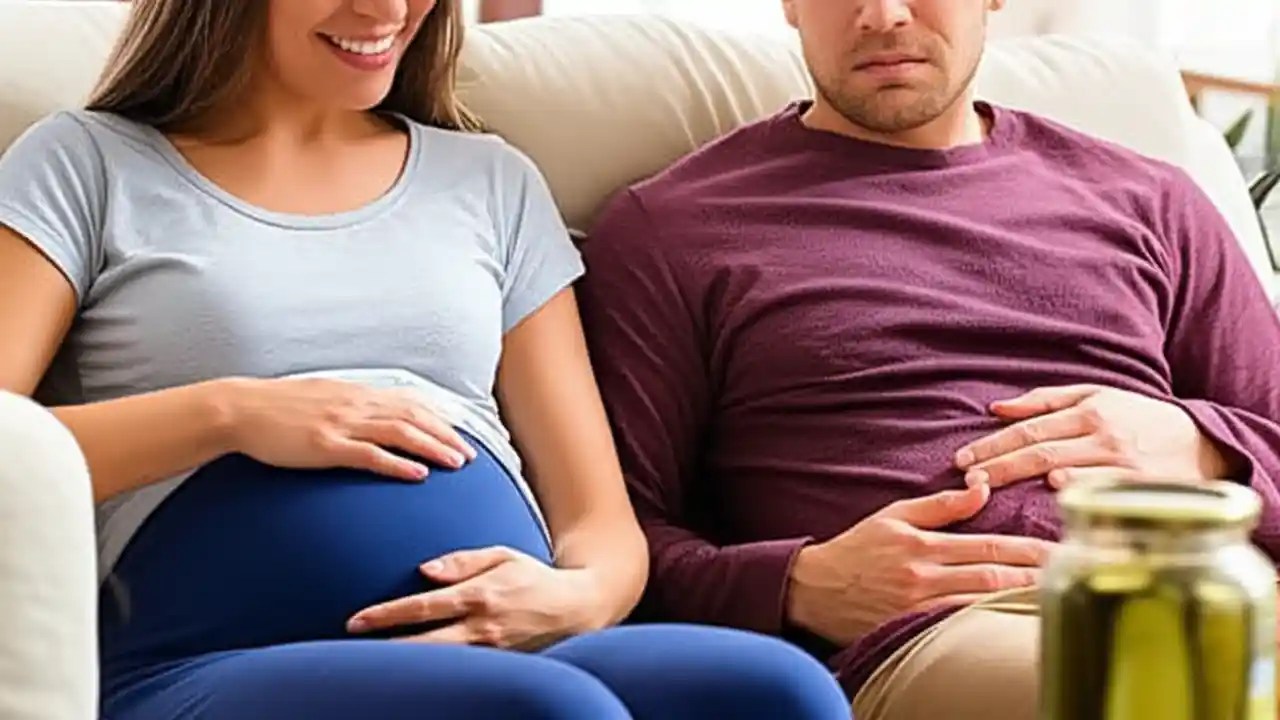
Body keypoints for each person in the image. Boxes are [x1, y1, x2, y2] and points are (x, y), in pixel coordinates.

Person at [0, 1, 855, 719]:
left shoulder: (490, 180)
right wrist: (232, 415)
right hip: (204, 655)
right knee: (548, 711)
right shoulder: (88, 163)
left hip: (516, 650)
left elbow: (600, 522)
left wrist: (575, 596)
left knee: (780, 688)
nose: (386, 11)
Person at [576, 1, 1280, 719]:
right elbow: (610, 544)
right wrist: (795, 583)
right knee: (1159, 691)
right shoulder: (672, 230)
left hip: (1211, 586)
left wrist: (1203, 448)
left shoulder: (1151, 200)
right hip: (952, 635)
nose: (882, 15)